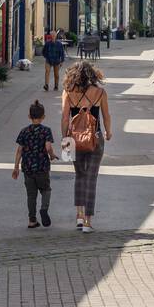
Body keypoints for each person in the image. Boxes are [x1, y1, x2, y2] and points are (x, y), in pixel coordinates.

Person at [60, 60, 111, 233]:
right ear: (92, 74)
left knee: (79, 175)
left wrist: (65, 138)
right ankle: (88, 222)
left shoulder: (68, 92)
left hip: (74, 139)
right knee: (91, 177)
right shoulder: (100, 93)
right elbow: (106, 116)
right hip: (95, 138)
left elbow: (65, 119)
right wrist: (108, 132)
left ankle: (79, 216)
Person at [12, 100, 57, 228]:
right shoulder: (46, 131)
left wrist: (16, 167)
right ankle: (44, 208)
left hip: (27, 168)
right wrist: (52, 155)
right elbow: (48, 147)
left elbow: (19, 150)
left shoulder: (24, 131)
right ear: (43, 117)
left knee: (31, 195)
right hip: (42, 167)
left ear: (29, 116)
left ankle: (32, 220)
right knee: (46, 190)